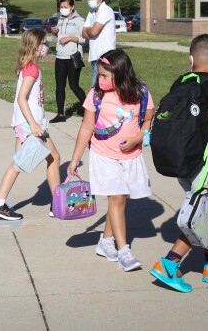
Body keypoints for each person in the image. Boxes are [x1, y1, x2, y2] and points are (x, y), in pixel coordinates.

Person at [150, 34, 208, 293]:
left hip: (183, 162)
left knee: (205, 212)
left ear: (190, 59)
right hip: (206, 165)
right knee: (201, 216)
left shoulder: (182, 81)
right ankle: (169, 263)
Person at [68, 49, 154, 273]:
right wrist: (75, 159)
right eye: (99, 75)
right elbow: (86, 127)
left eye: (105, 76)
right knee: (116, 198)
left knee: (121, 200)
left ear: (121, 74)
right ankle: (124, 250)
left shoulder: (140, 92)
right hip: (103, 154)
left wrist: (138, 138)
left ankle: (105, 242)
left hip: (130, 156)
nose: (100, 79)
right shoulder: (96, 95)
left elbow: (148, 119)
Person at [0, 28, 61, 221]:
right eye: (43, 43)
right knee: (54, 157)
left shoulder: (30, 67)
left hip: (27, 123)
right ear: (34, 46)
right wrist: (34, 125)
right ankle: (57, 204)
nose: (46, 47)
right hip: (30, 125)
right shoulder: (32, 69)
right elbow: (22, 98)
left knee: (19, 164)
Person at [50, 0, 88, 122]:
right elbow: (55, 40)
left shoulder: (80, 21)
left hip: (73, 57)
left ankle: (89, 110)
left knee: (73, 85)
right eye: (61, 7)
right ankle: (60, 114)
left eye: (65, 7)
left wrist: (70, 38)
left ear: (72, 7)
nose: (63, 9)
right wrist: (54, 33)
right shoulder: (61, 20)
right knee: (59, 86)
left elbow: (85, 39)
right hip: (60, 56)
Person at [82, 0, 116, 88]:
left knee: (97, 88)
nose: (90, 0)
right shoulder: (91, 13)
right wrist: (90, 30)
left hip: (105, 56)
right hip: (94, 55)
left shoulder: (106, 10)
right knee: (96, 88)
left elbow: (93, 32)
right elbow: (83, 34)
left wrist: (89, 29)